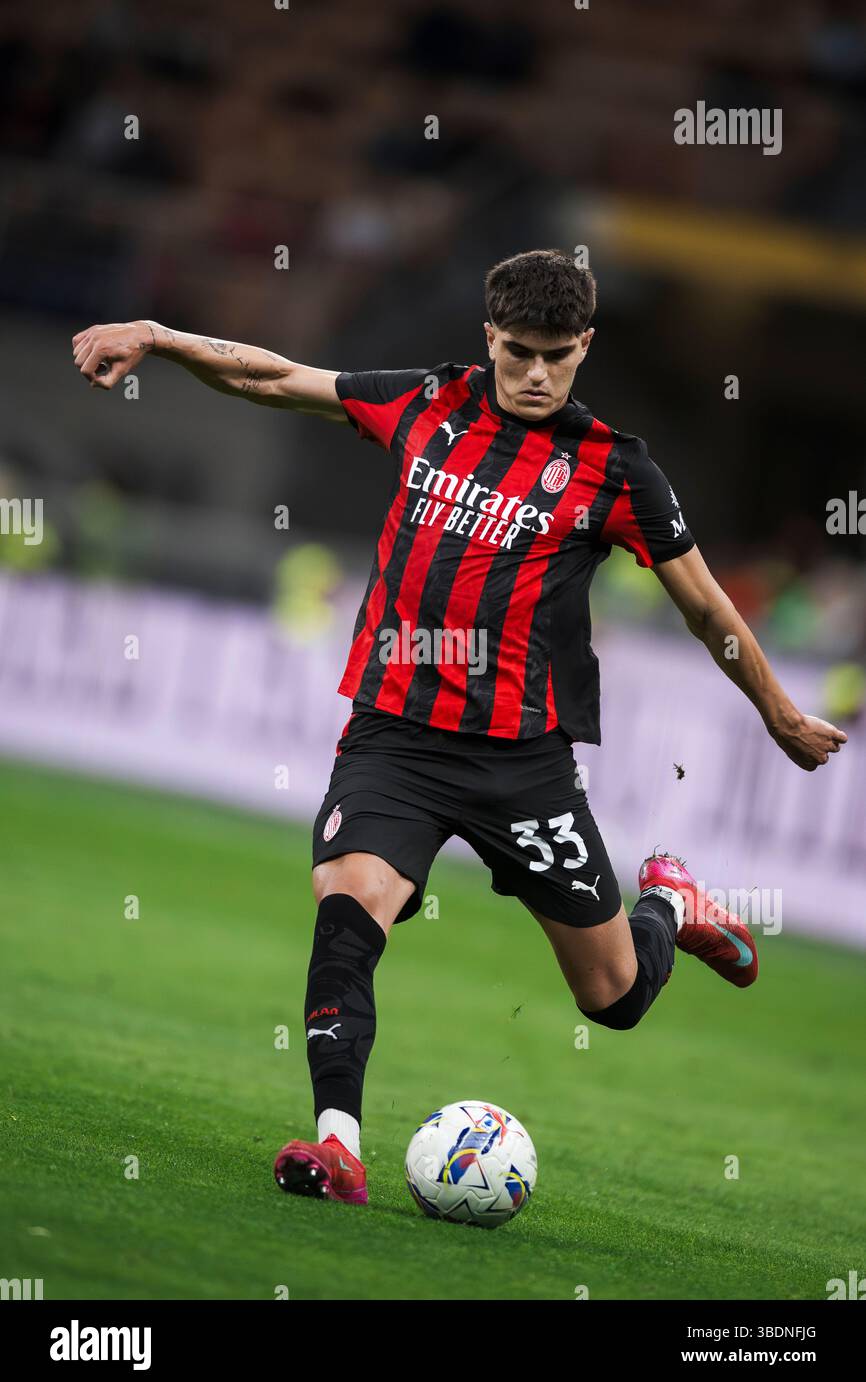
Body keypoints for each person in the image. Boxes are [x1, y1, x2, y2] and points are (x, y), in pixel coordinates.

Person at [73, 249, 847, 1207]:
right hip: (393, 739)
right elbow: (274, 376)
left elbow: (705, 606)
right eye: (517, 351)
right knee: (346, 917)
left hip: (523, 764)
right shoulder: (424, 403)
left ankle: (671, 908)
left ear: (585, 348)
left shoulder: (616, 469)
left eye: (555, 356)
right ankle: (338, 1146)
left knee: (613, 998)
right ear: (488, 336)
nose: (534, 373)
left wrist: (779, 714)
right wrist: (158, 334)